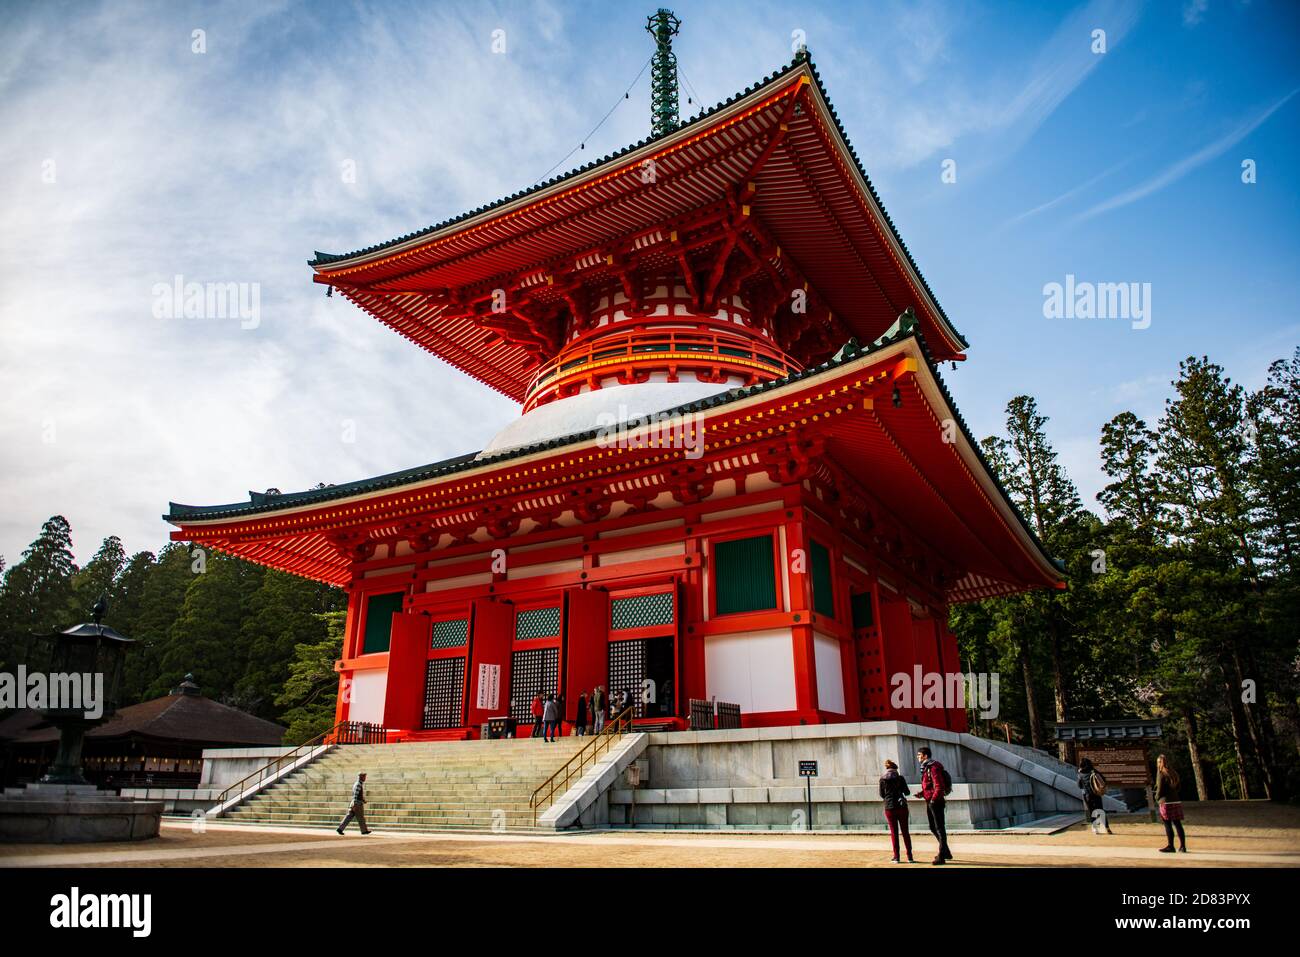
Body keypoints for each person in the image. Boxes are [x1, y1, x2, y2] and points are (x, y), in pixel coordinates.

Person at [917, 747, 952, 865]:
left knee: (939, 828)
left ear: (925, 756)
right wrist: (922, 793)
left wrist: (933, 800)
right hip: (930, 799)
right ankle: (945, 851)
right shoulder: (926, 767)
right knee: (933, 827)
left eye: (919, 755)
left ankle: (941, 855)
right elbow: (929, 785)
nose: (918, 757)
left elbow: (938, 785)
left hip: (935, 801)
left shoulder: (933, 767)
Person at [879, 759, 914, 863]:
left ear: (887, 769)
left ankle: (896, 857)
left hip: (889, 807)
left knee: (894, 833)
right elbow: (907, 792)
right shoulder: (900, 778)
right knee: (905, 832)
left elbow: (881, 794)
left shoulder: (882, 779)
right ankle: (910, 856)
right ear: (895, 769)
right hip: (901, 806)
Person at [1155, 754, 1187, 853]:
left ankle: (1171, 846)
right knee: (1178, 824)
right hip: (1176, 800)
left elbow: (1159, 789)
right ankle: (1183, 846)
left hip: (1166, 802)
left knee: (1167, 824)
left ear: (1160, 763)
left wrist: (1156, 798)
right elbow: (1178, 787)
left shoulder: (1161, 773)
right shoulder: (1173, 773)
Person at [1078, 757, 1113, 834]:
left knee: (1092, 811)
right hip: (1096, 794)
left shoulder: (1080, 773)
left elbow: (1079, 785)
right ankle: (1107, 827)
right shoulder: (1093, 771)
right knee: (1100, 810)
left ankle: (1095, 829)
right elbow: (1103, 780)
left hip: (1087, 795)